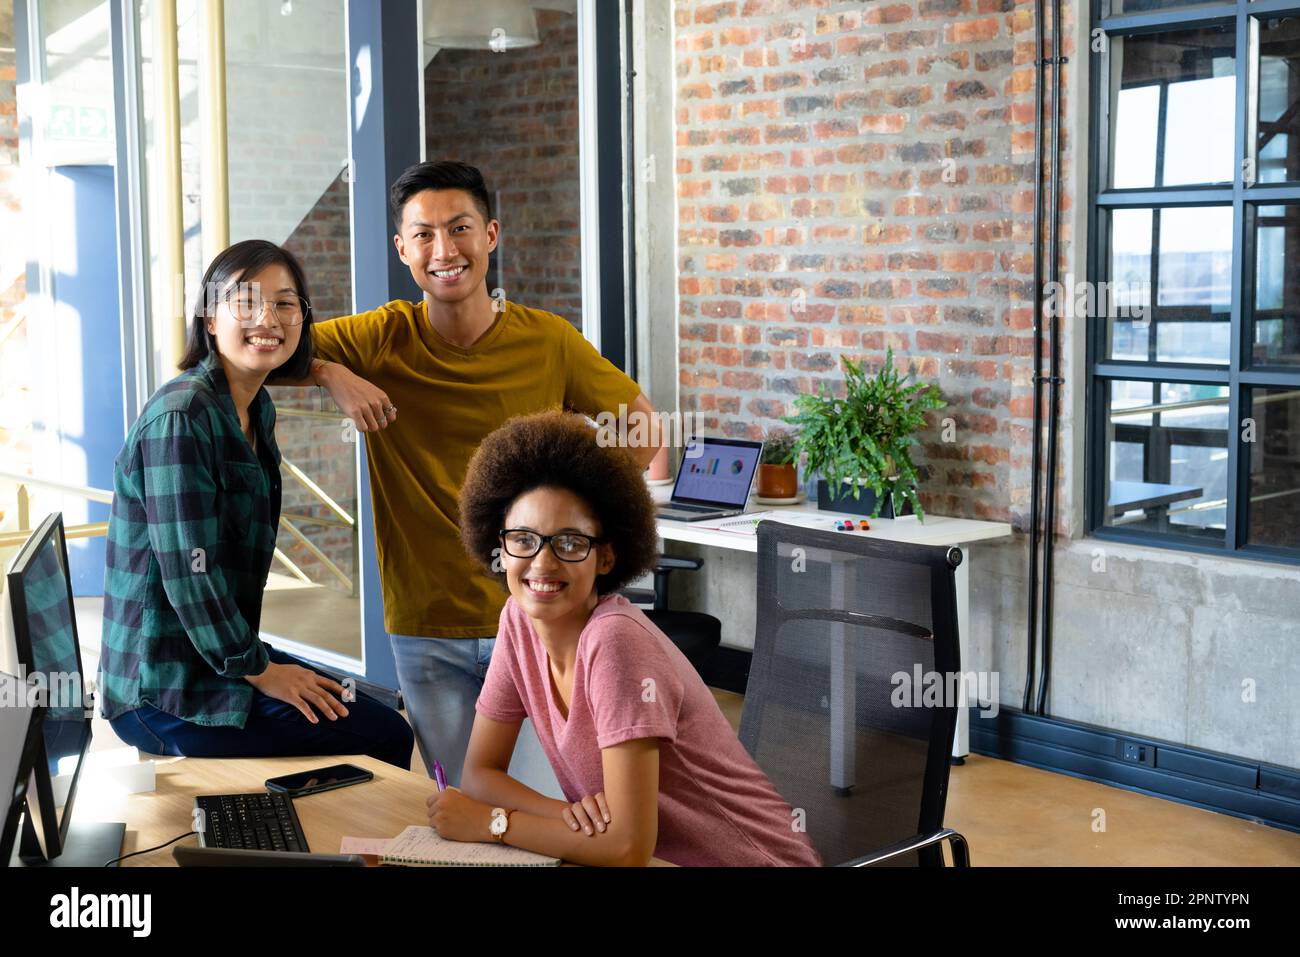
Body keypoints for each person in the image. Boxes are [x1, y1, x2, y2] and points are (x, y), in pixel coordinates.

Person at [279, 161, 662, 792]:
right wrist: (330, 374)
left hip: (544, 612)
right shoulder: (380, 337)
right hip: (428, 622)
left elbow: (644, 430)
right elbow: (262, 346)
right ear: (402, 249)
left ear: (490, 234)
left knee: (560, 804)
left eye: (459, 228)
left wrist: (576, 515)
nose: (444, 250)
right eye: (423, 234)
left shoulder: (548, 341)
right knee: (463, 801)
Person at [426, 410, 821, 866]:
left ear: (607, 556)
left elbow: (627, 847)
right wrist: (568, 818)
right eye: (523, 539)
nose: (542, 562)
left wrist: (495, 824)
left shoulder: (614, 642)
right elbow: (479, 775)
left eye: (570, 543)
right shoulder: (518, 620)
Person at [99, 240, 414, 768]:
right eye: (245, 302)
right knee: (382, 736)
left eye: (285, 304)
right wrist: (265, 672)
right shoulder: (183, 417)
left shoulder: (254, 407)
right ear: (208, 316)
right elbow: (189, 575)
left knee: (375, 704)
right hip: (164, 688)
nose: (267, 318)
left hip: (221, 661)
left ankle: (305, 841)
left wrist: (329, 372)